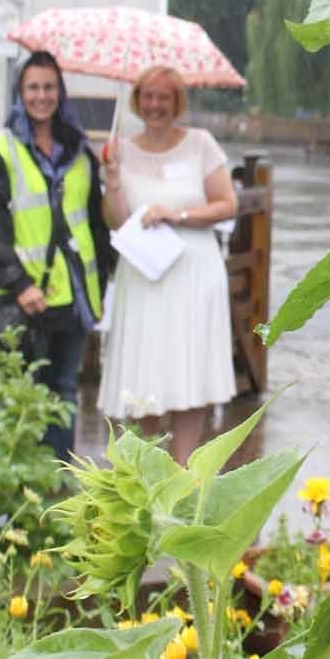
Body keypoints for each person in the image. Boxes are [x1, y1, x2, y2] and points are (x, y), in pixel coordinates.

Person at [0, 50, 110, 461]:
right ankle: (17, 487)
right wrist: (19, 284)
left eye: (49, 87)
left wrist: (99, 286)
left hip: (73, 299)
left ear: (60, 92)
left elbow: (96, 227)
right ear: (20, 92)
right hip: (27, 299)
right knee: (20, 396)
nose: (42, 96)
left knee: (64, 392)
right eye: (33, 87)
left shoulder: (80, 153)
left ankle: (58, 484)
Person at [97, 63, 238, 464]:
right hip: (144, 275)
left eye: (164, 97)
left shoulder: (201, 144)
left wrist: (177, 215)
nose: (155, 104)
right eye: (148, 96)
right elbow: (117, 221)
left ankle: (184, 471)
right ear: (136, 101)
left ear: (177, 103)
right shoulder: (122, 149)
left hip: (193, 274)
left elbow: (227, 204)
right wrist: (112, 177)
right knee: (145, 368)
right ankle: (149, 468)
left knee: (188, 368)